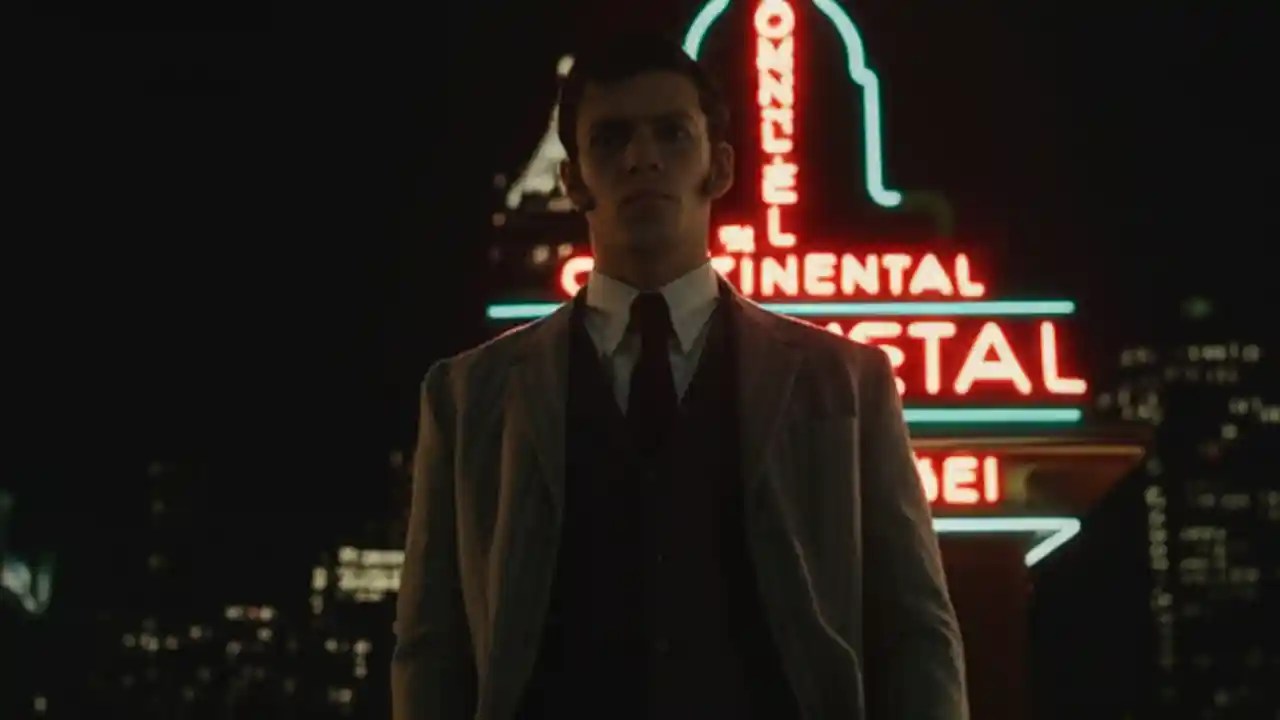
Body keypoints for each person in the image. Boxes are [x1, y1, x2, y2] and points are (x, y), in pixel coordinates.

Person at [391, 31, 968, 720]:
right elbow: (434, 649)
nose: (642, 158)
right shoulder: (468, 397)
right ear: (572, 179)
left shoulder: (847, 383)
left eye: (671, 132)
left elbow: (914, 634)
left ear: (719, 166)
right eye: (610, 139)